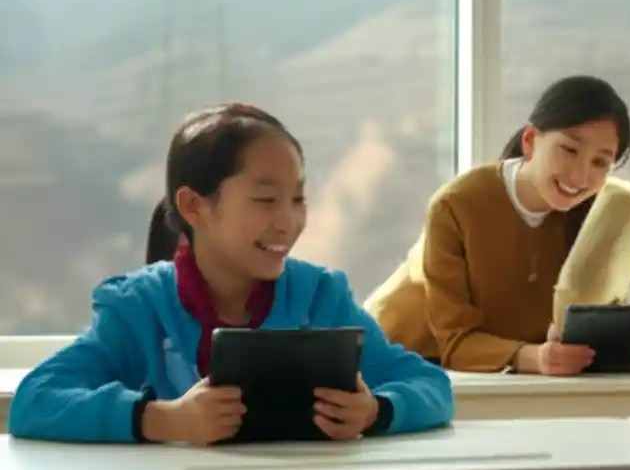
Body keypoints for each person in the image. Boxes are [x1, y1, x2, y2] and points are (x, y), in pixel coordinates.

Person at [8, 103, 454, 444]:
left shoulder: (321, 296)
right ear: (194, 206)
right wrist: (162, 419)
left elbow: (430, 386)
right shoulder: (137, 307)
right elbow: (35, 401)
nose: (288, 222)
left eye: (298, 199)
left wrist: (376, 410)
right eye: (265, 200)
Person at [366, 76, 630, 374]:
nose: (580, 177)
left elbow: (582, 325)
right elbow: (454, 341)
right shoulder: (456, 204)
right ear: (531, 141)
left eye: (600, 163)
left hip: (494, 376)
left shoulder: (593, 214)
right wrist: (535, 358)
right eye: (569, 150)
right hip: (391, 361)